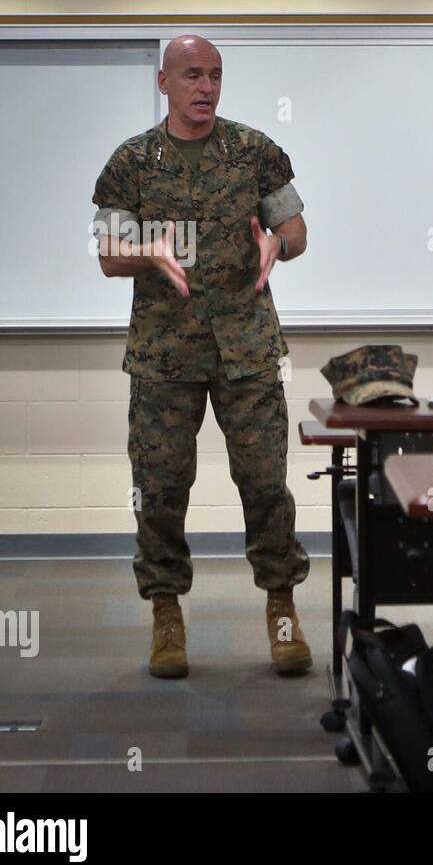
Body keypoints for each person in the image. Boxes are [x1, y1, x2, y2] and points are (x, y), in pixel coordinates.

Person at [91, 35, 313, 679]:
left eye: (215, 75)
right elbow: (108, 254)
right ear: (165, 82)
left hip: (246, 349)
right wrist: (147, 254)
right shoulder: (131, 163)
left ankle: (281, 608)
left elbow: (296, 228)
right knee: (159, 490)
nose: (206, 87)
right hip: (164, 356)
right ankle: (165, 614)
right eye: (192, 75)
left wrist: (279, 244)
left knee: (267, 486)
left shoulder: (254, 152)